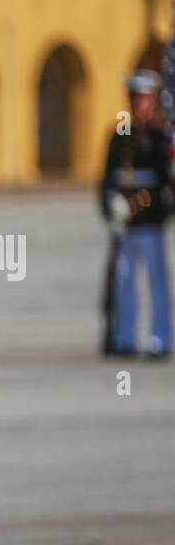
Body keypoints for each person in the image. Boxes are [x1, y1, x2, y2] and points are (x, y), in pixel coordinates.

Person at [100, 69, 172, 358]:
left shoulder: (160, 136)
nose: (139, 104)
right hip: (125, 220)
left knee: (157, 281)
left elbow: (166, 179)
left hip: (151, 216)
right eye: (136, 98)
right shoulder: (120, 134)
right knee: (125, 280)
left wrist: (163, 211)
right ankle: (124, 337)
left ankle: (161, 339)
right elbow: (108, 177)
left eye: (144, 98)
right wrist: (110, 209)